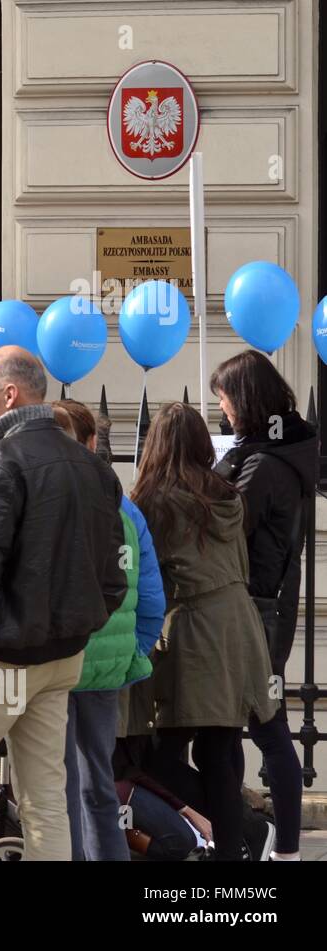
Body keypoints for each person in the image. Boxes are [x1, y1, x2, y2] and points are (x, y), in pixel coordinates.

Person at [0, 346, 126, 861]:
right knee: (46, 798)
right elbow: (114, 575)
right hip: (58, 659)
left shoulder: (0, 462)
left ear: (10, 395)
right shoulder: (90, 465)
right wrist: (76, 627)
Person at [129, 401, 278, 861]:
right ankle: (234, 842)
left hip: (195, 629)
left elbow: (144, 575)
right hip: (239, 623)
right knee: (221, 745)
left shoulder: (153, 500)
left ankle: (240, 832)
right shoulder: (229, 494)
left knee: (155, 754)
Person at [51, 398, 165, 861]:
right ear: (94, 443)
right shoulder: (126, 508)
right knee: (97, 778)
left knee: (55, 781)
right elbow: (154, 595)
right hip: (106, 668)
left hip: (55, 660)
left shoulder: (49, 498)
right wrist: (132, 652)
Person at [210, 350, 312, 861]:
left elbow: (227, 528)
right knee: (237, 729)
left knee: (267, 731)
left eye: (225, 398)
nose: (222, 410)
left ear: (246, 399)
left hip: (254, 610)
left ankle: (285, 850)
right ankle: (251, 839)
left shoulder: (264, 464)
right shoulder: (274, 453)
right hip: (262, 606)